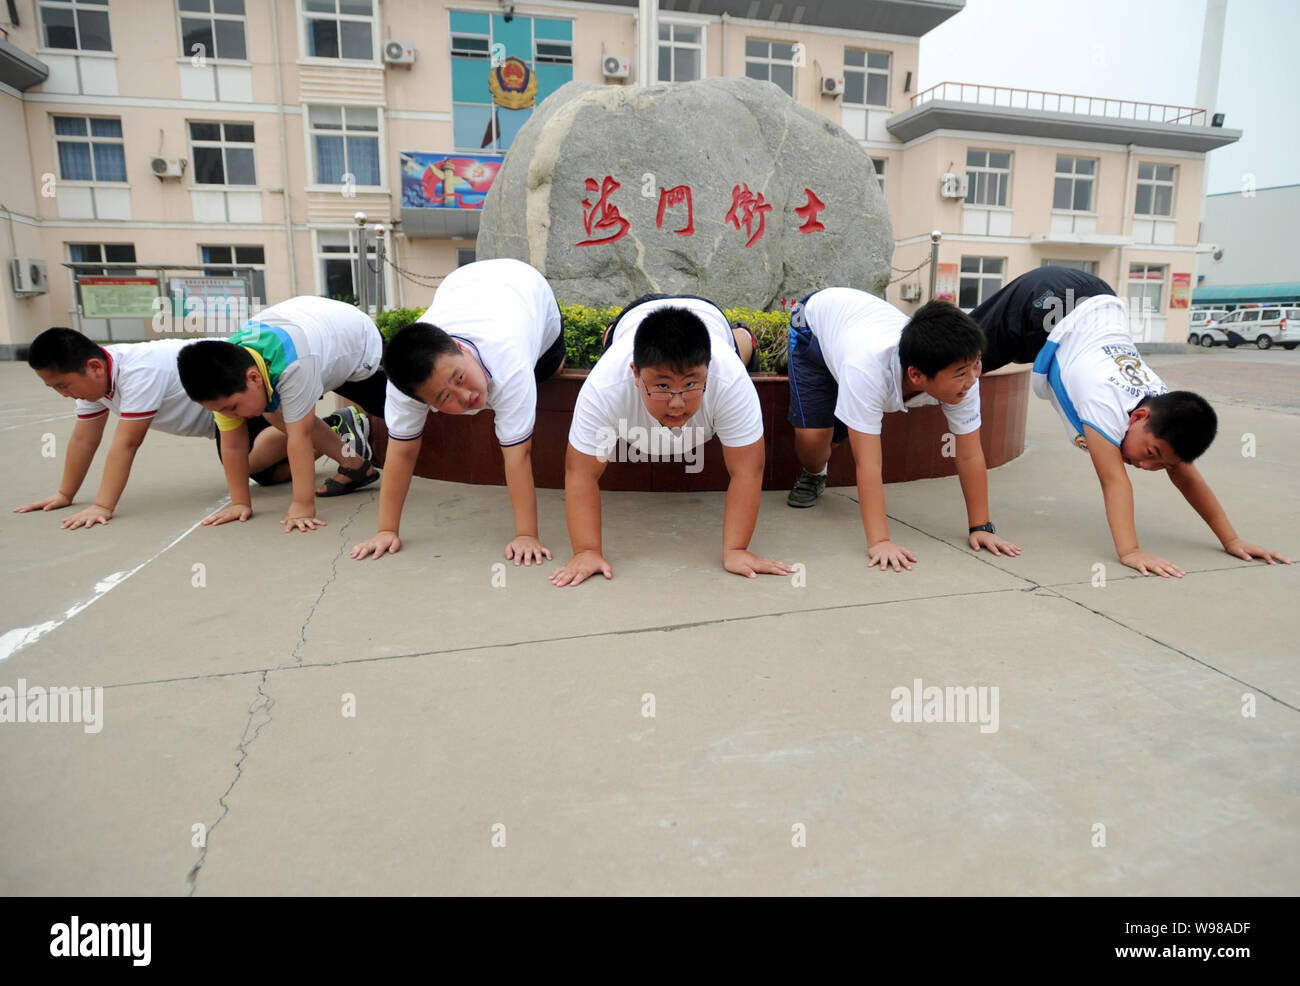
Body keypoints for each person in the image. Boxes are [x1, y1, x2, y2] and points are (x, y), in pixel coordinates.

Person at [971, 267, 1289, 576]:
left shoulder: (1163, 409)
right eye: (1151, 455)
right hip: (1051, 298)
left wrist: (1231, 539)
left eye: (1161, 464)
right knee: (958, 355)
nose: (1147, 467)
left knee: (1003, 352)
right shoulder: (1104, 403)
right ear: (1139, 416)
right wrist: (1131, 550)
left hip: (1095, 301)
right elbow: (1114, 480)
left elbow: (1188, 476)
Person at [551, 294, 794, 587]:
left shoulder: (730, 381)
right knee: (614, 339)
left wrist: (736, 549)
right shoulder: (605, 387)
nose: (677, 404)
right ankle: (613, 331)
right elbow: (581, 471)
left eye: (691, 384)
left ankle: (742, 337)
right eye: (663, 386)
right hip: (635, 317)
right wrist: (586, 551)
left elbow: (747, 469)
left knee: (738, 349)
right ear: (636, 375)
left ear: (709, 370)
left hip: (709, 319)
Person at [785, 288, 1020, 572]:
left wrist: (981, 526)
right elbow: (868, 463)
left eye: (977, 365)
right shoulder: (867, 368)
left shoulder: (962, 372)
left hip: (855, 338)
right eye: (962, 374)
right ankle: (816, 467)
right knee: (813, 448)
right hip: (814, 326)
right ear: (916, 374)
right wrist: (880, 541)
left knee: (843, 419)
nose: (972, 380)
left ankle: (845, 410)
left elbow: (969, 454)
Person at [350, 259, 565, 565]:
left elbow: (518, 454)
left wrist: (527, 535)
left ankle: (555, 358)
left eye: (460, 379)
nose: (467, 396)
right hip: (460, 284)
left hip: (526, 287)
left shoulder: (510, 360)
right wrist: (386, 529)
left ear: (460, 349)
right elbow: (402, 451)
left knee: (547, 370)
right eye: (445, 397)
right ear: (424, 403)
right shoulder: (404, 384)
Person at [177, 296, 386, 533]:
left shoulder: (292, 364)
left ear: (254, 378)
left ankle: (352, 434)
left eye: (232, 408)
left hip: (354, 345)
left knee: (395, 407)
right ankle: (356, 466)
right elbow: (233, 447)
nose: (228, 415)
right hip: (314, 338)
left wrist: (302, 506)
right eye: (219, 411)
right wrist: (240, 503)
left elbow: (300, 440)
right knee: (273, 425)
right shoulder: (227, 381)